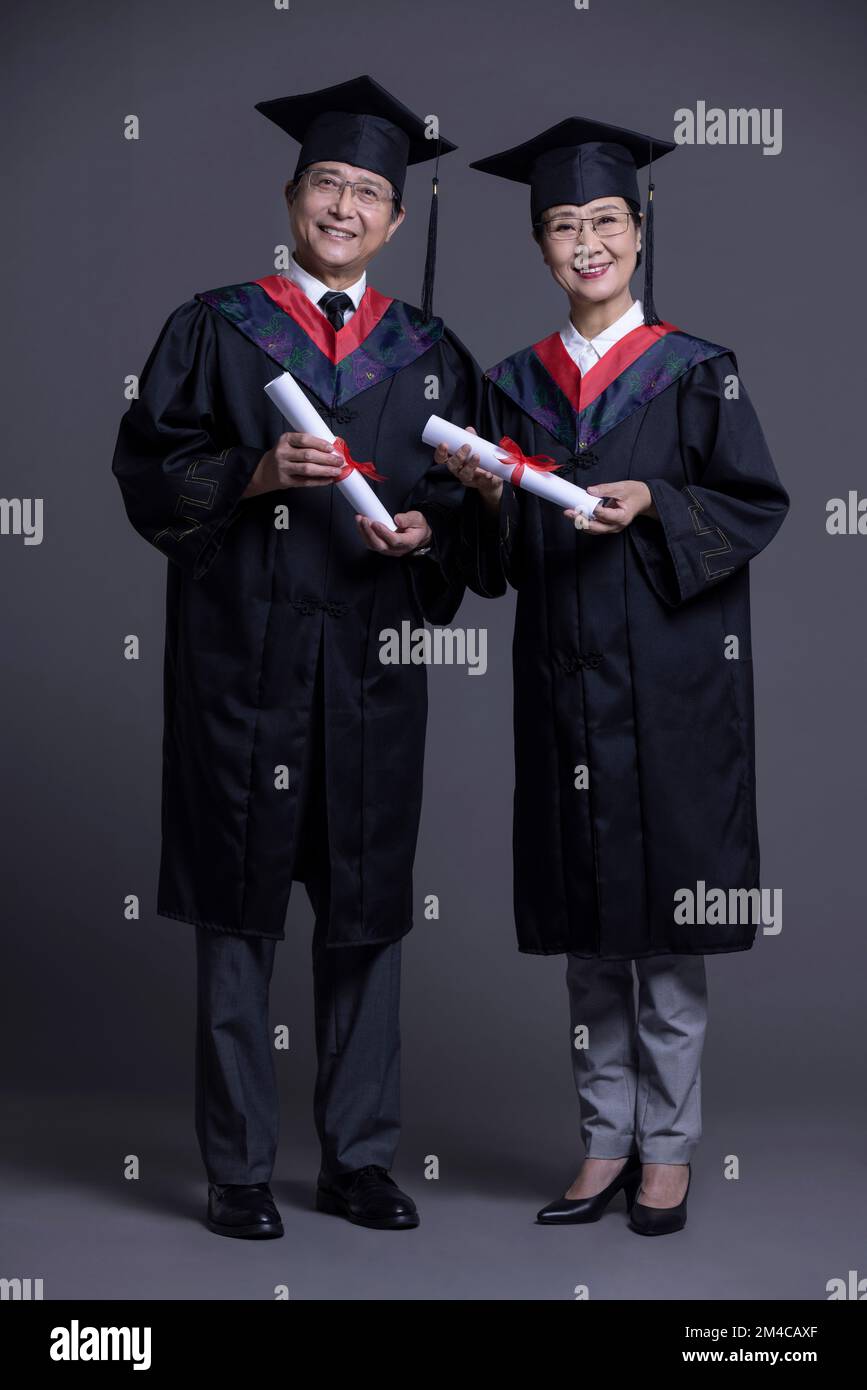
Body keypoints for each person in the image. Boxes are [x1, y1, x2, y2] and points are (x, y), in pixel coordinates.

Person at [111, 75, 481, 1238]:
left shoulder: (429, 349)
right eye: (328, 182)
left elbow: (467, 507)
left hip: (372, 670)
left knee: (367, 912)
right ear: (291, 194)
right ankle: (236, 1167)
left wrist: (437, 531)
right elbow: (145, 471)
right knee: (240, 914)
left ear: (396, 221)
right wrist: (257, 474)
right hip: (243, 668)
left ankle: (359, 1159)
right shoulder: (215, 325)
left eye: (369, 191)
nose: (345, 206)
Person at [436, 116, 789, 1235]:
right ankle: (601, 1140)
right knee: (590, 930)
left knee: (668, 928)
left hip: (675, 688)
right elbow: (487, 568)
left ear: (638, 233)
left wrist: (659, 504)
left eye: (603, 220)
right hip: (565, 684)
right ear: (542, 247)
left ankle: (670, 1147)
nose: (584, 241)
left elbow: (755, 503)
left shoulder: (700, 371)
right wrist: (488, 501)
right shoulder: (507, 385)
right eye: (560, 225)